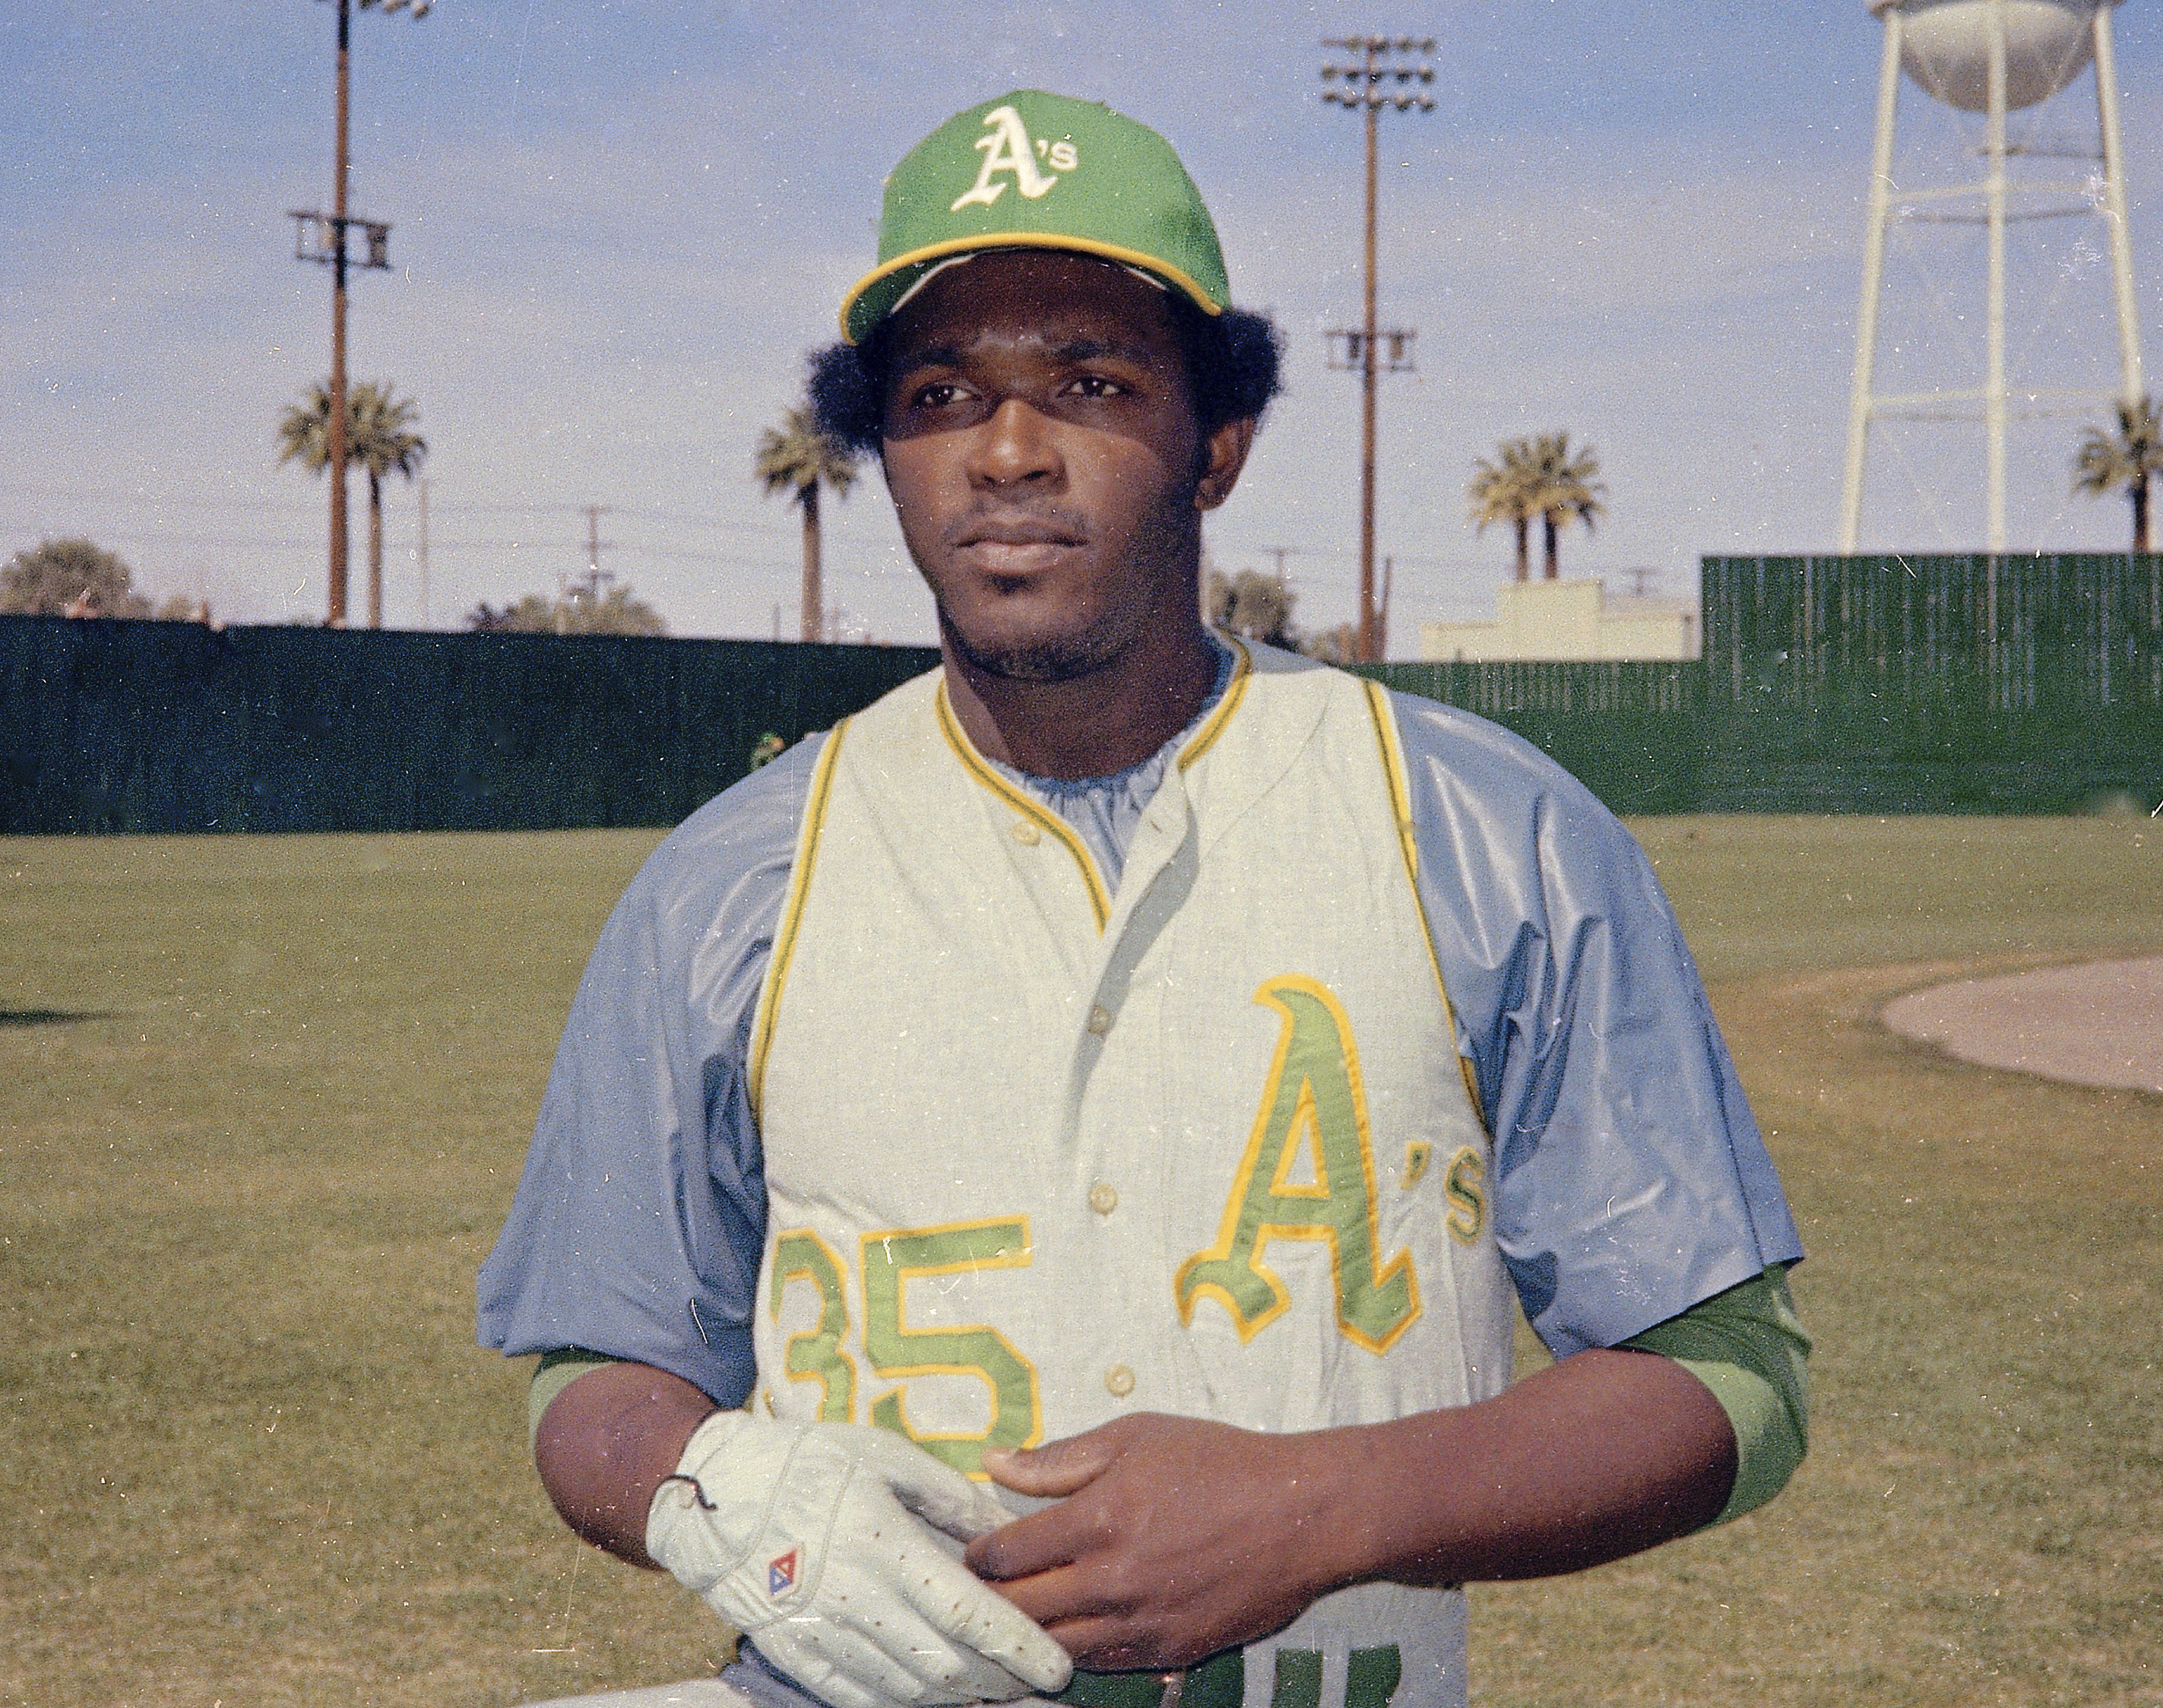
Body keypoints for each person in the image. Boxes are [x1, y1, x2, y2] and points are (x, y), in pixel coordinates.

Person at [479, 90, 1808, 1708]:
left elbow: (1724, 1379)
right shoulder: (728, 883)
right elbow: (594, 1367)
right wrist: (709, 1493)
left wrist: (1317, 1507)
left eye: (1091, 382)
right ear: (884, 453)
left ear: (1218, 441)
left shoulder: (1483, 831)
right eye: (942, 391)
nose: (1009, 446)